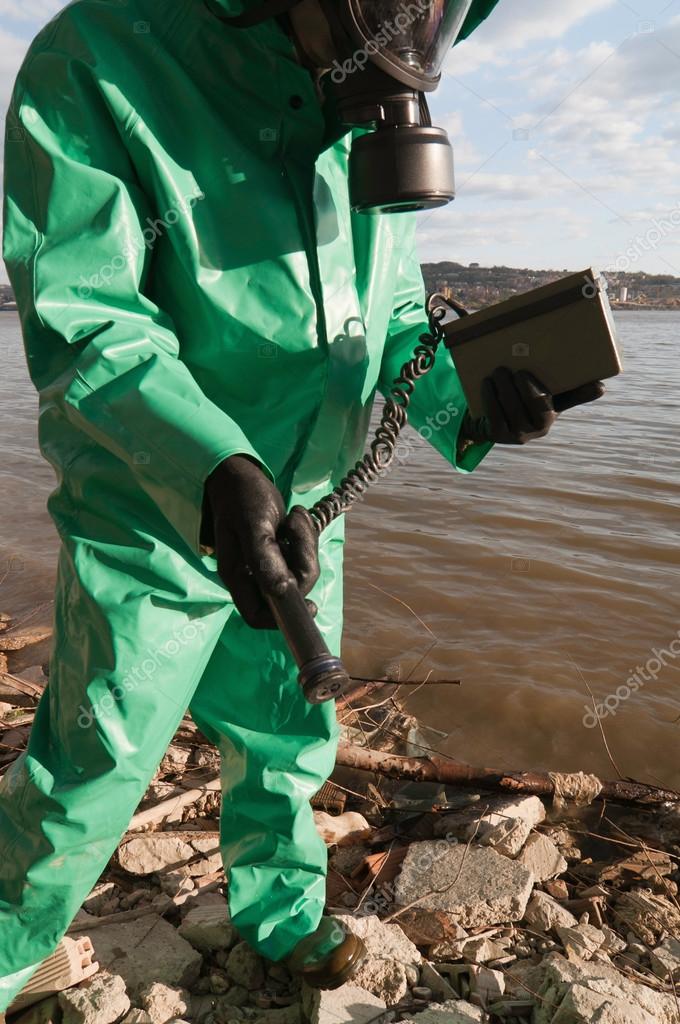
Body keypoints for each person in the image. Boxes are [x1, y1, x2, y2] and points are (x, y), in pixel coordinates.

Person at [0, 0, 603, 1008]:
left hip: (309, 506)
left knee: (288, 729)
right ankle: (13, 936)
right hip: (152, 507)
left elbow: (395, 315)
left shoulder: (361, 121)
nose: (408, 31)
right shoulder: (95, 62)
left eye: (434, 8)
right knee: (97, 753)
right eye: (376, 6)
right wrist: (212, 465)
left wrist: (475, 399)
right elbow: (89, 320)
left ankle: (279, 911)